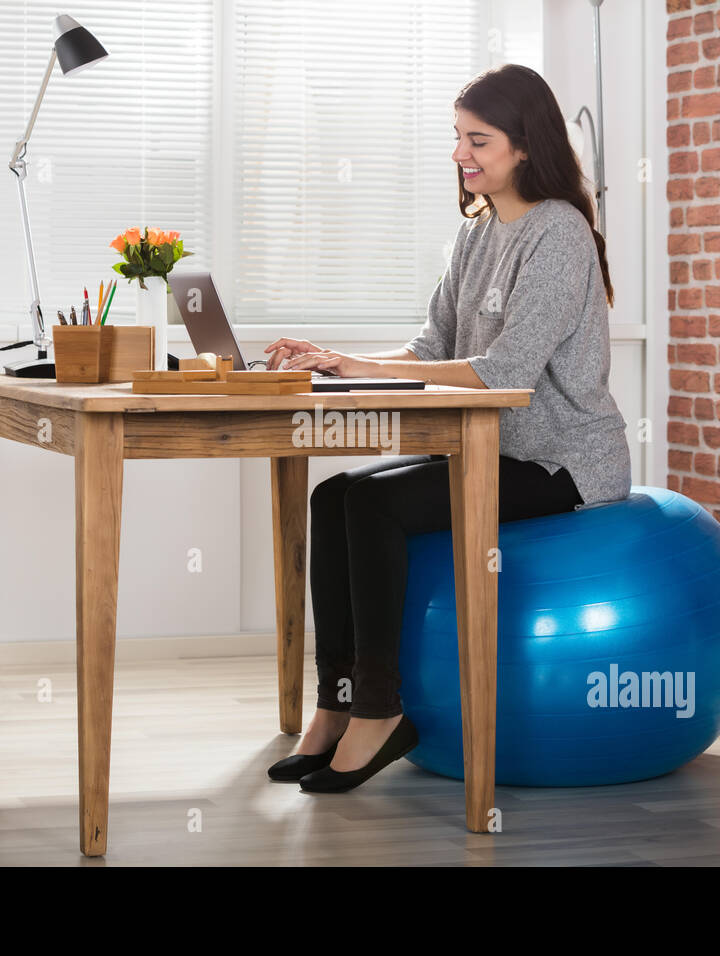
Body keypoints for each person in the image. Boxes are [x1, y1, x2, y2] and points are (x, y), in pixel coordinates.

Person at [262, 63, 632, 794]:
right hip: (493, 449)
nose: (461, 154)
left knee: (369, 505)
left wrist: (356, 367)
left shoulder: (557, 234)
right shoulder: (478, 231)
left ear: (525, 145)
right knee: (333, 498)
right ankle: (334, 705)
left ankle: (380, 711)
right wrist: (338, 362)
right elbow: (433, 350)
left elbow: (506, 371)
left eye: (478, 139)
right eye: (457, 138)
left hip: (560, 463)